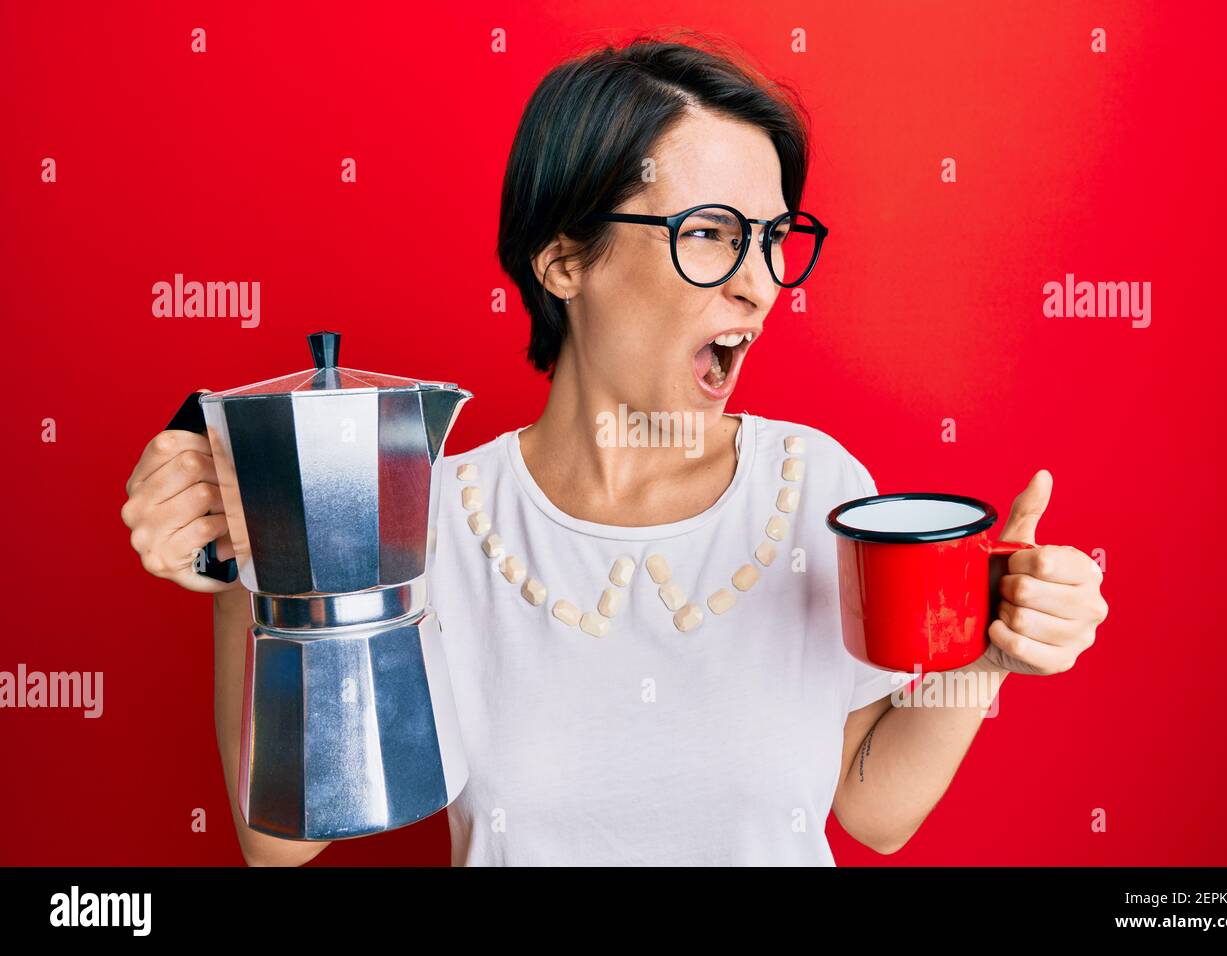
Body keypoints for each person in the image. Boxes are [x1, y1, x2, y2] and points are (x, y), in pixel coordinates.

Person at [120, 33, 1108, 866]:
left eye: (773, 241)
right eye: (712, 234)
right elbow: (274, 844)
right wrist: (252, 548)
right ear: (562, 258)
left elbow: (869, 808)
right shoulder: (428, 520)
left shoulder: (816, 488)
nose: (760, 286)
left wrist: (985, 656)